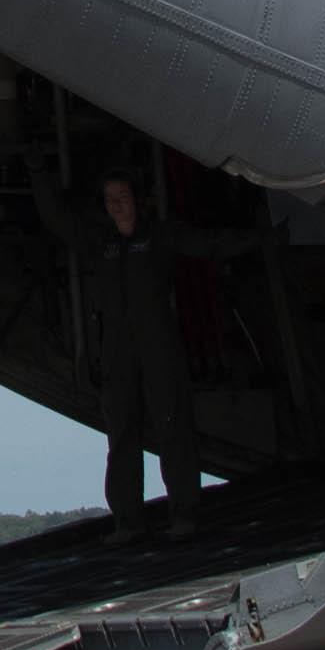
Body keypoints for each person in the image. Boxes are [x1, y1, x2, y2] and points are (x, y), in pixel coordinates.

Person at [51, 167, 259, 532]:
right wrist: (39, 173)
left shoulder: (160, 235)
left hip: (158, 344)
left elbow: (208, 243)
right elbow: (56, 219)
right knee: (122, 433)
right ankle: (128, 521)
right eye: (111, 200)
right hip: (118, 348)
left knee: (173, 425)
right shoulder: (100, 243)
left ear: (136, 200)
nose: (117, 206)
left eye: (123, 198)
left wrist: (260, 239)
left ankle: (184, 512)